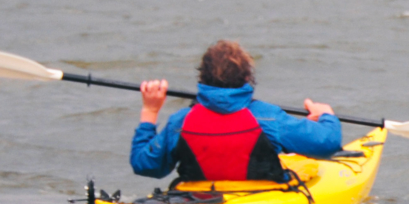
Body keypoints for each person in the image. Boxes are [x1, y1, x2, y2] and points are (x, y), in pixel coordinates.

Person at [130, 40, 343, 181]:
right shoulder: (268, 118)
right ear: (246, 78)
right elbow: (327, 144)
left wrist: (150, 111)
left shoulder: (180, 122)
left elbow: (145, 165)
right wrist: (326, 116)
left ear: (202, 78)